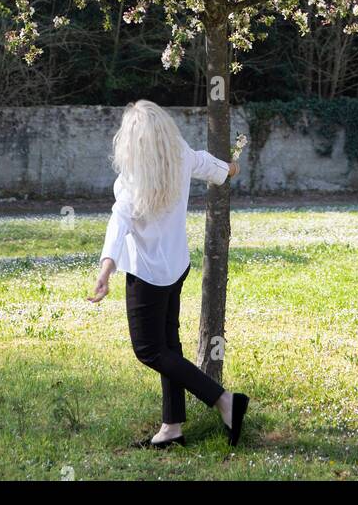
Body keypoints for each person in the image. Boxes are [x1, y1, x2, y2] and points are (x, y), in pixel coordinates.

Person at [88, 98, 250, 449]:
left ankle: (225, 401)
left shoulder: (133, 179)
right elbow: (207, 164)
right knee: (169, 346)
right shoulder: (180, 154)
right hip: (177, 268)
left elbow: (119, 223)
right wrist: (230, 169)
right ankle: (172, 427)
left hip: (147, 274)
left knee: (149, 350)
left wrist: (106, 269)